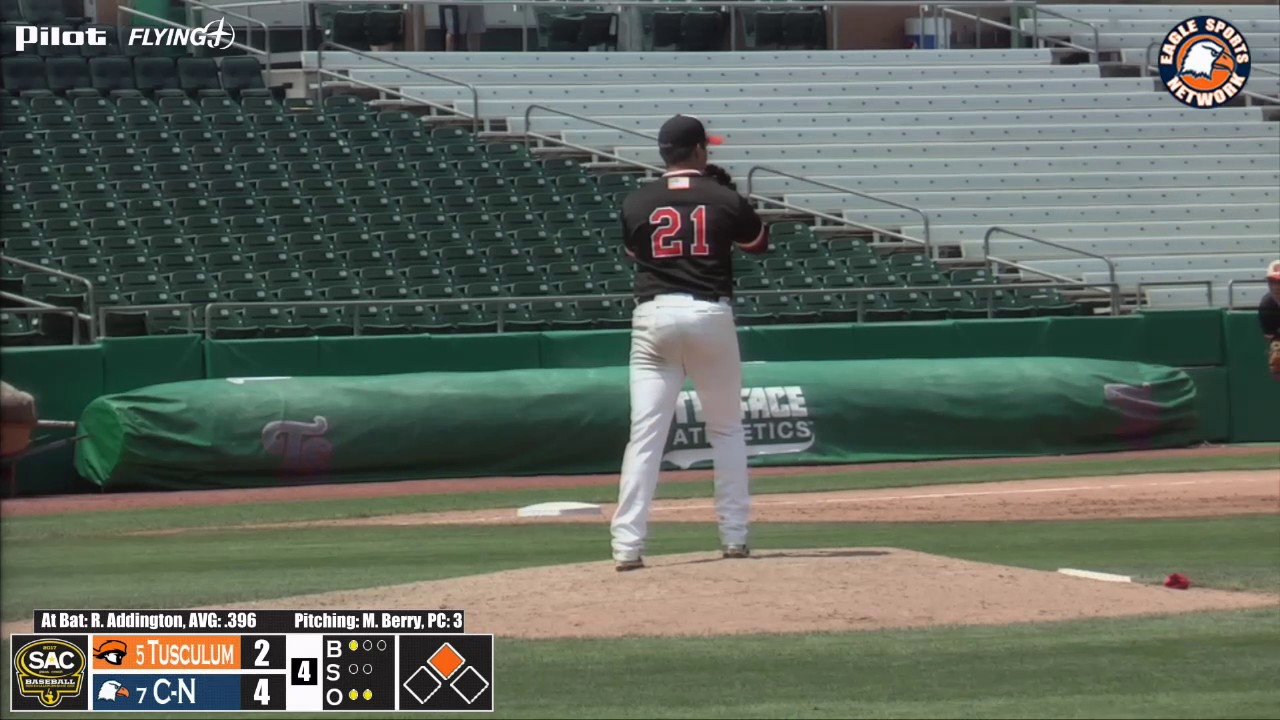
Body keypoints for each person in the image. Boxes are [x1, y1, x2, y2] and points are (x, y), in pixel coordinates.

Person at [610, 115, 769, 572]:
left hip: (653, 315)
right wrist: (728, 203)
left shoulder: (637, 200)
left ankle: (627, 547)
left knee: (645, 435)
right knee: (726, 430)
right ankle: (734, 538)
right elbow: (758, 243)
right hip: (708, 311)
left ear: (664, 154)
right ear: (698, 151)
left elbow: (635, 252)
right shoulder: (724, 197)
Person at [1261, 260, 1280, 379]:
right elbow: (1272, 337)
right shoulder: (1266, 306)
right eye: (1272, 282)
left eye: (1279, 282)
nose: (1276, 287)